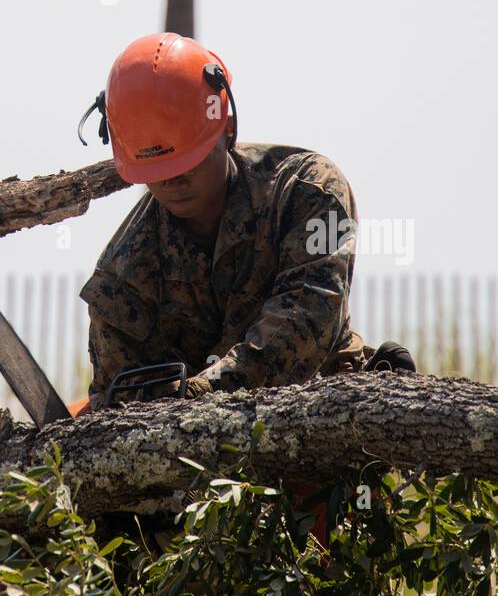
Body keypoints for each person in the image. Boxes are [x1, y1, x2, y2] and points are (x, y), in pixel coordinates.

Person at [75, 32, 414, 415]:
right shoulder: (121, 277)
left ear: (227, 130)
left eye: (187, 163)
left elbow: (306, 324)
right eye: (156, 171)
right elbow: (119, 402)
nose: (173, 181)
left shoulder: (308, 192)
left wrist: (200, 393)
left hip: (320, 417)